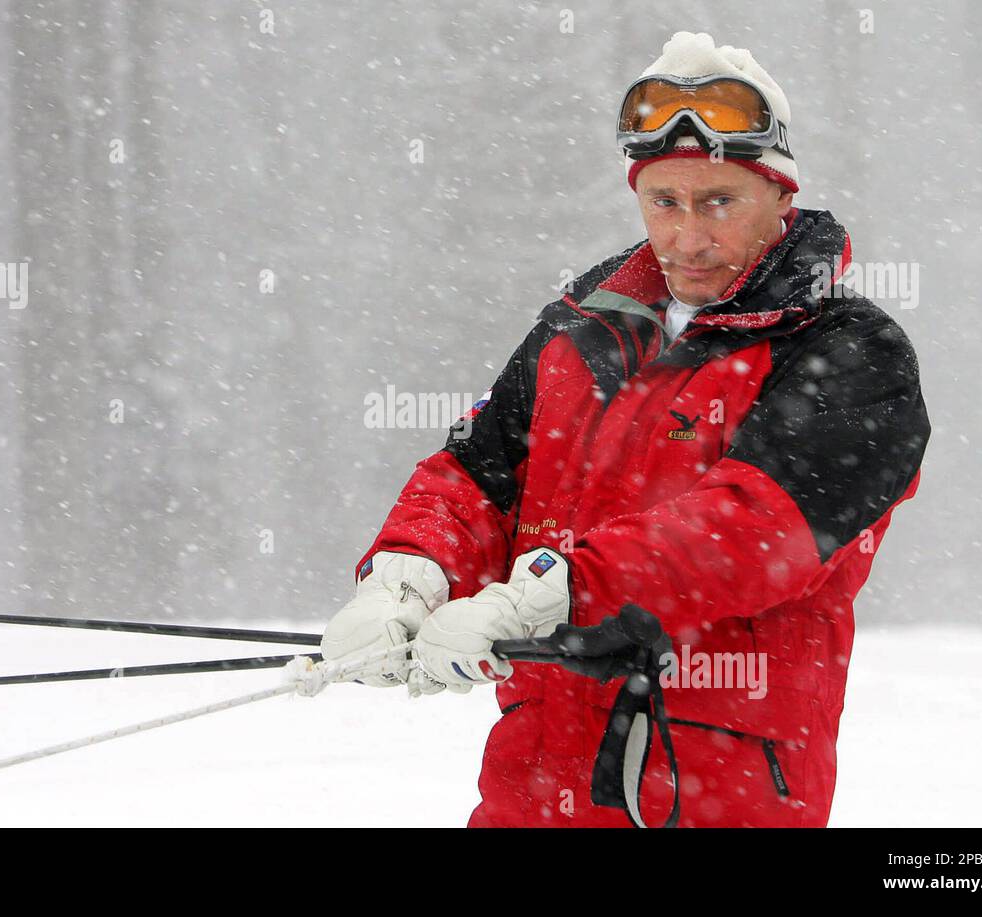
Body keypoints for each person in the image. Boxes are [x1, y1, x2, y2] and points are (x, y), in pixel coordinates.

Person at [321, 31, 930, 827]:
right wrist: (409, 575)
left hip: (715, 796)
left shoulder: (850, 350)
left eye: (719, 201)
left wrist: (556, 592)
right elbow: (474, 476)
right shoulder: (579, 331)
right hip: (530, 790)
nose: (686, 235)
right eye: (664, 202)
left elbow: (751, 532)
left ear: (781, 196)